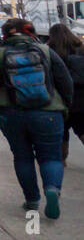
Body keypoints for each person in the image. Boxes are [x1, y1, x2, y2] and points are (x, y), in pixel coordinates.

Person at [0, 18, 72, 219]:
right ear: (30, 32)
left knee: (22, 157)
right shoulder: (46, 51)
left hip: (11, 114)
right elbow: (65, 81)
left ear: (5, 35)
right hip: (48, 112)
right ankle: (52, 189)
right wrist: (64, 105)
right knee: (51, 156)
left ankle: (32, 200)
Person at [47, 22, 84, 160]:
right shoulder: (81, 48)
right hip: (81, 97)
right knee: (81, 128)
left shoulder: (51, 51)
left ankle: (62, 159)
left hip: (60, 98)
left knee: (61, 131)